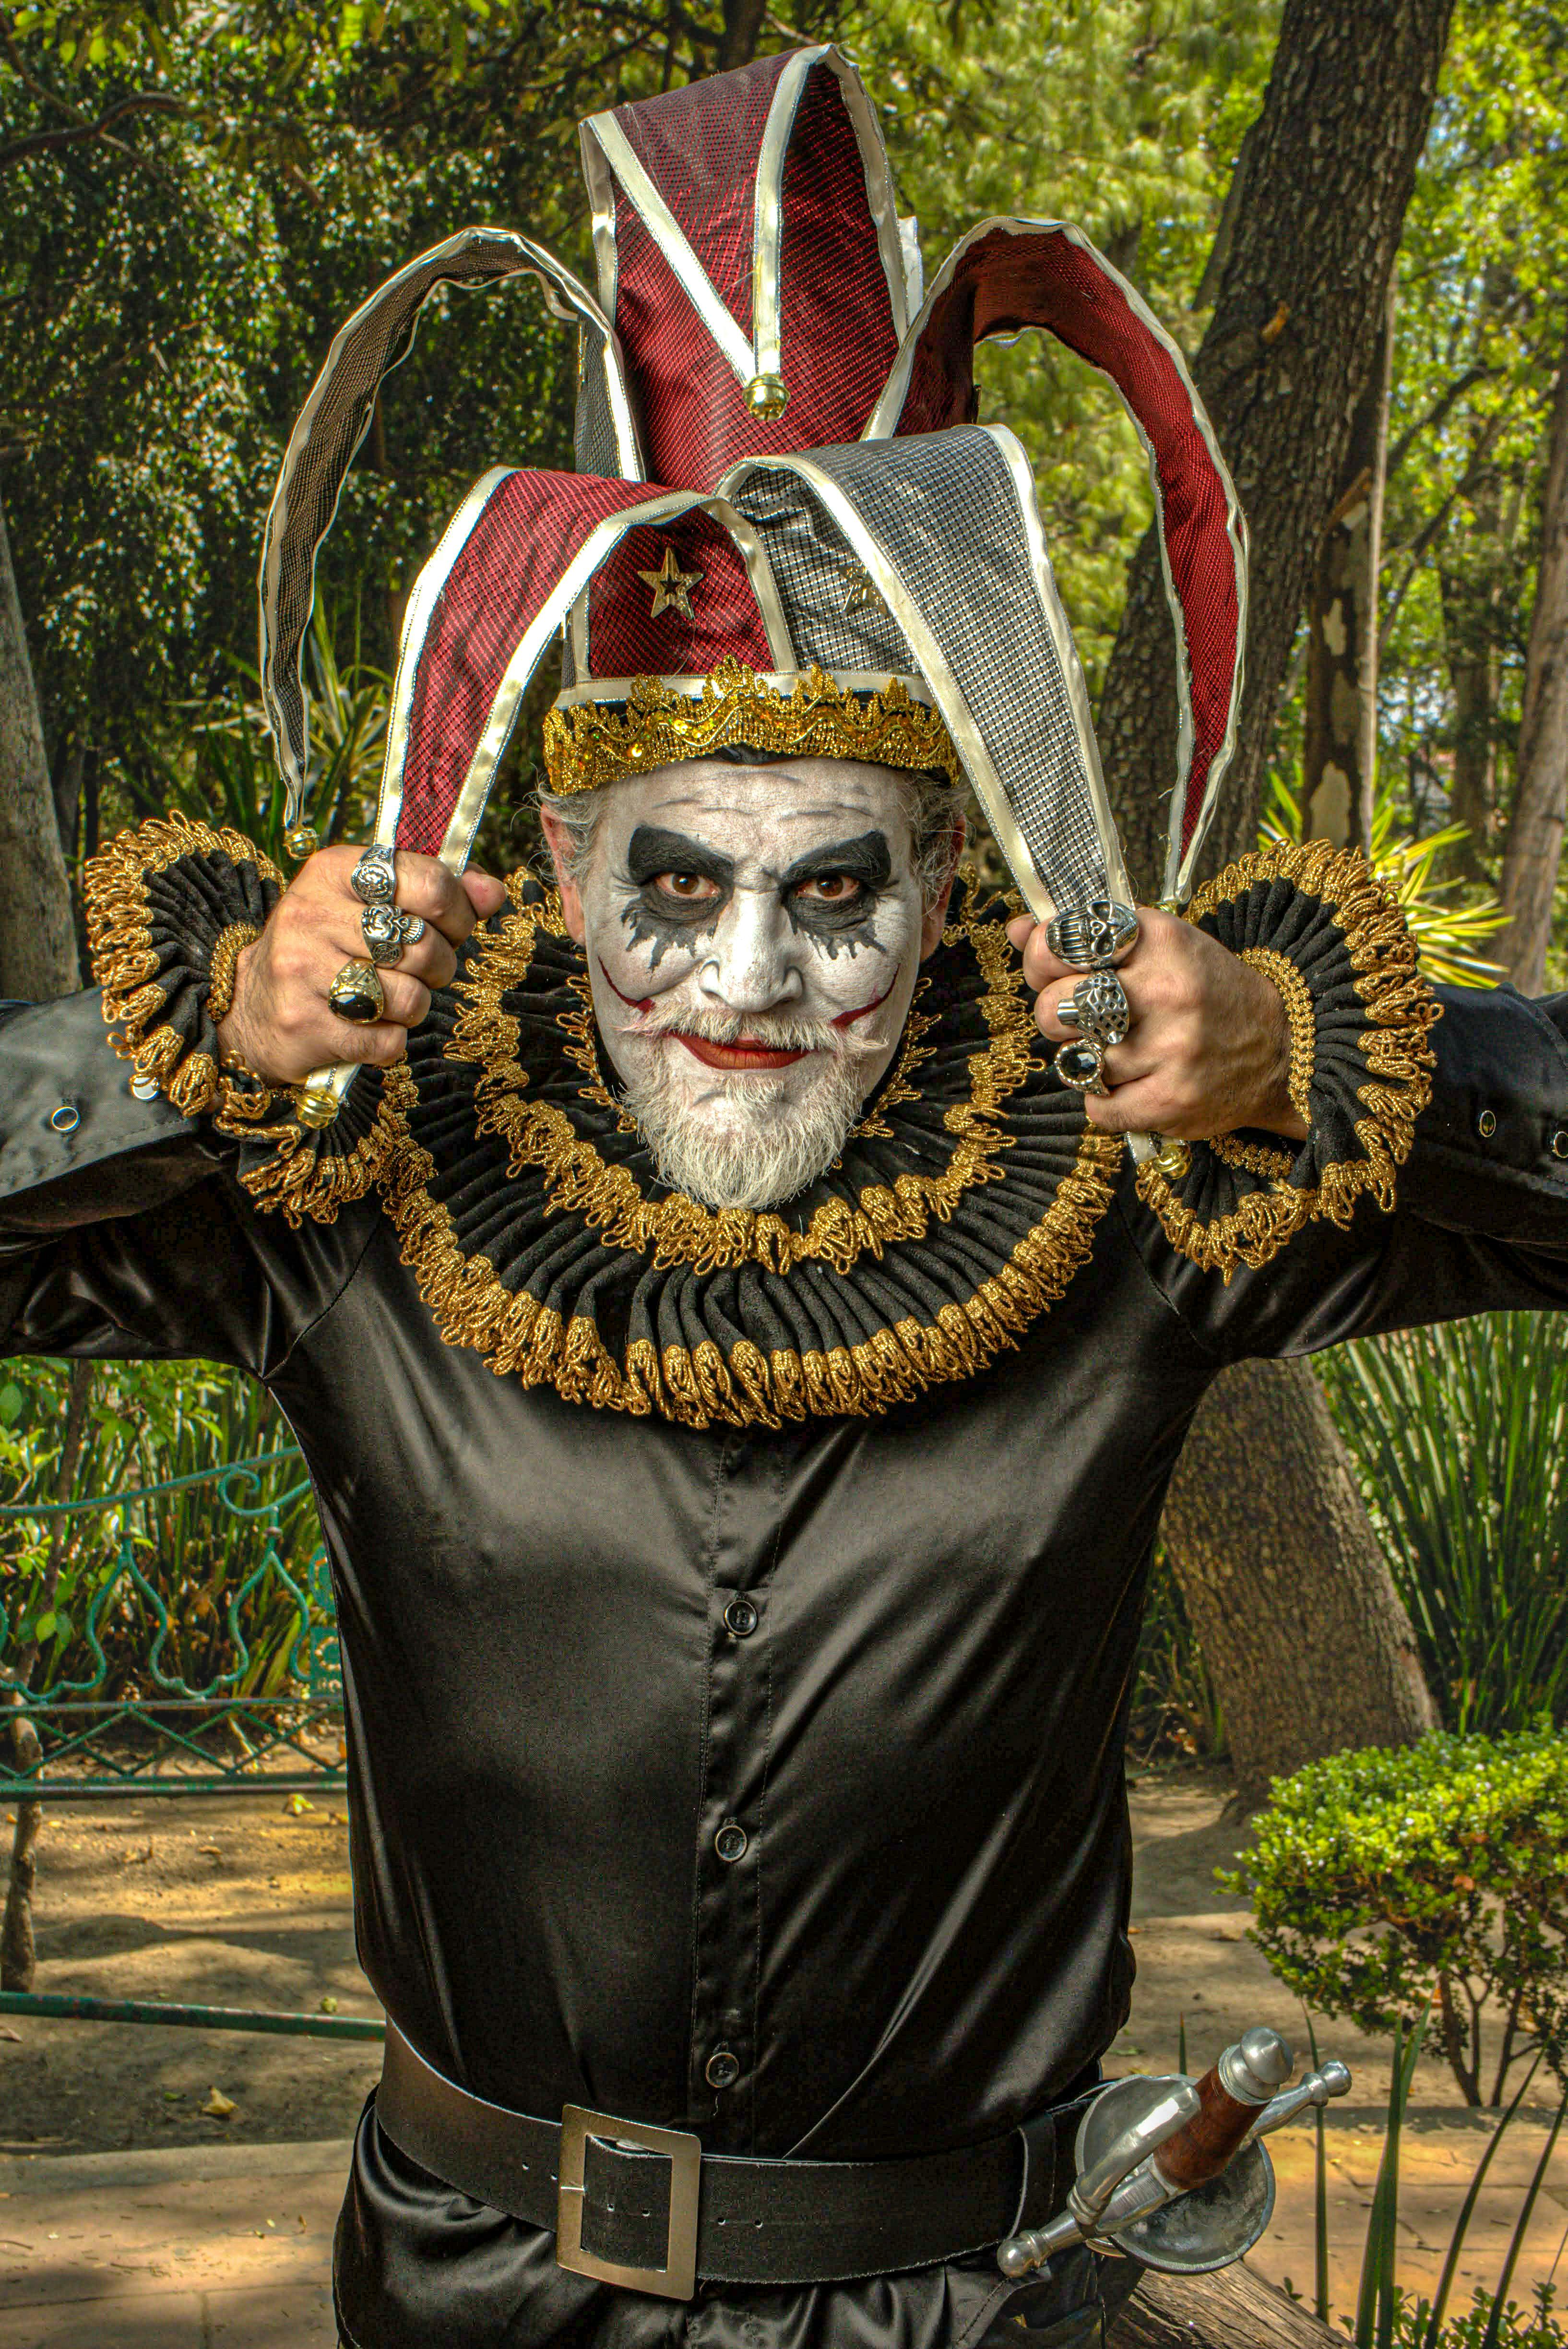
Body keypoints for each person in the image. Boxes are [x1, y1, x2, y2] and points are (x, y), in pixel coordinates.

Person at [7, 46, 1568, 2349]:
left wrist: (1317, 1053)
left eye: (835, 890)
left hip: (986, 2303)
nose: (746, 979)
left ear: (945, 880)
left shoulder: (1124, 1180)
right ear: (556, 861)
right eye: (675, 885)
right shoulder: (355, 1174)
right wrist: (204, 1026)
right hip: (466, 2302)